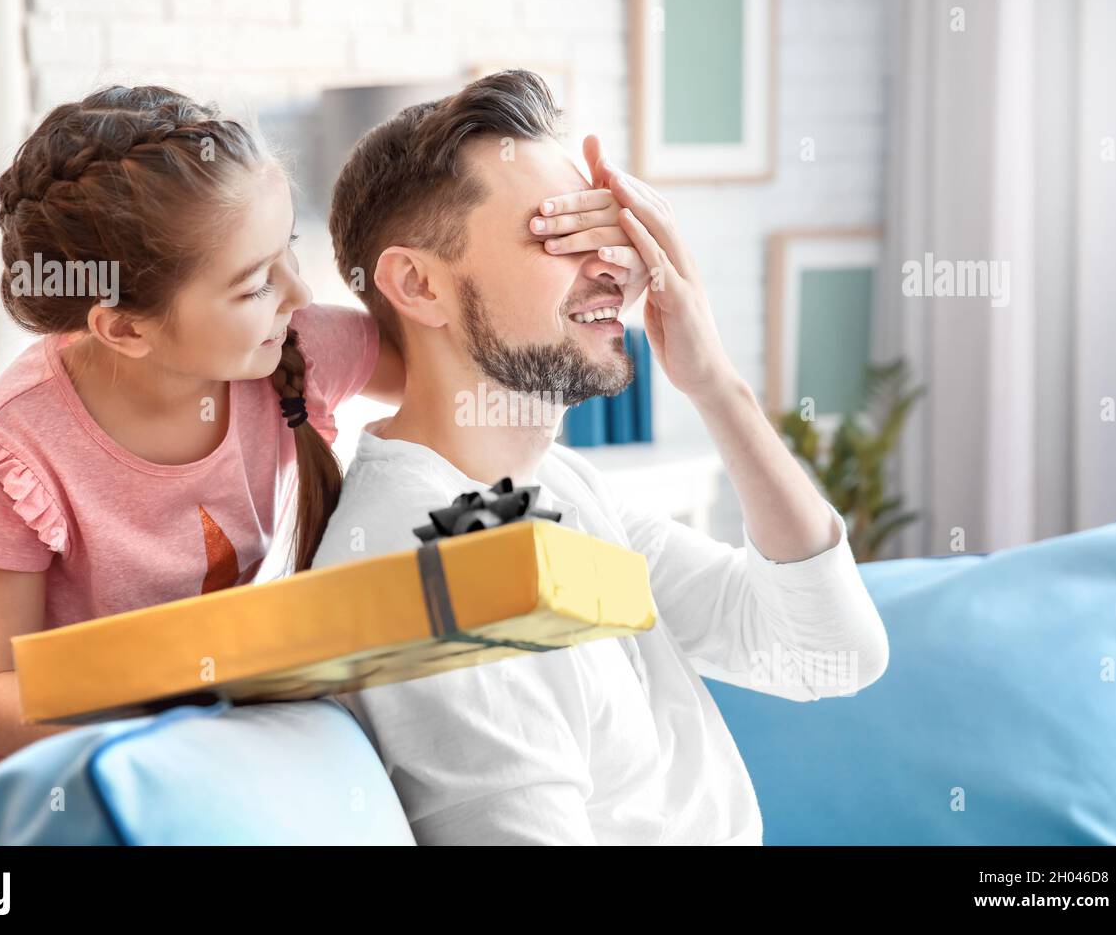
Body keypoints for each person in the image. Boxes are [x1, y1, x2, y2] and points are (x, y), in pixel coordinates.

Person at [310, 69, 890, 844]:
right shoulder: (430, 565)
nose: (616, 265)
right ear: (418, 284)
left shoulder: (552, 488)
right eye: (557, 233)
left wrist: (716, 385)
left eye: (605, 227)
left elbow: (828, 657)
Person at [0, 85, 404, 845]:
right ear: (122, 329)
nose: (298, 291)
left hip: (152, 764)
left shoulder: (285, 343)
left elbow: (453, 370)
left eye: (288, 251)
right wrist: (177, 752)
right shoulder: (15, 451)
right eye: (253, 283)